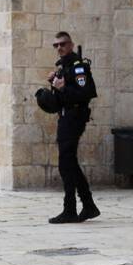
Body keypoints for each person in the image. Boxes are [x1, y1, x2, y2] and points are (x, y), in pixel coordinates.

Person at [48, 31, 99, 224]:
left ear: (70, 45)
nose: (59, 48)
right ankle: (87, 205)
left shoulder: (78, 67)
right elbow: (62, 96)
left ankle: (71, 208)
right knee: (68, 162)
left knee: (66, 162)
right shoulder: (63, 67)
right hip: (65, 117)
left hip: (74, 117)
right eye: (56, 45)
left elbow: (85, 93)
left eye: (63, 44)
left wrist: (63, 88)